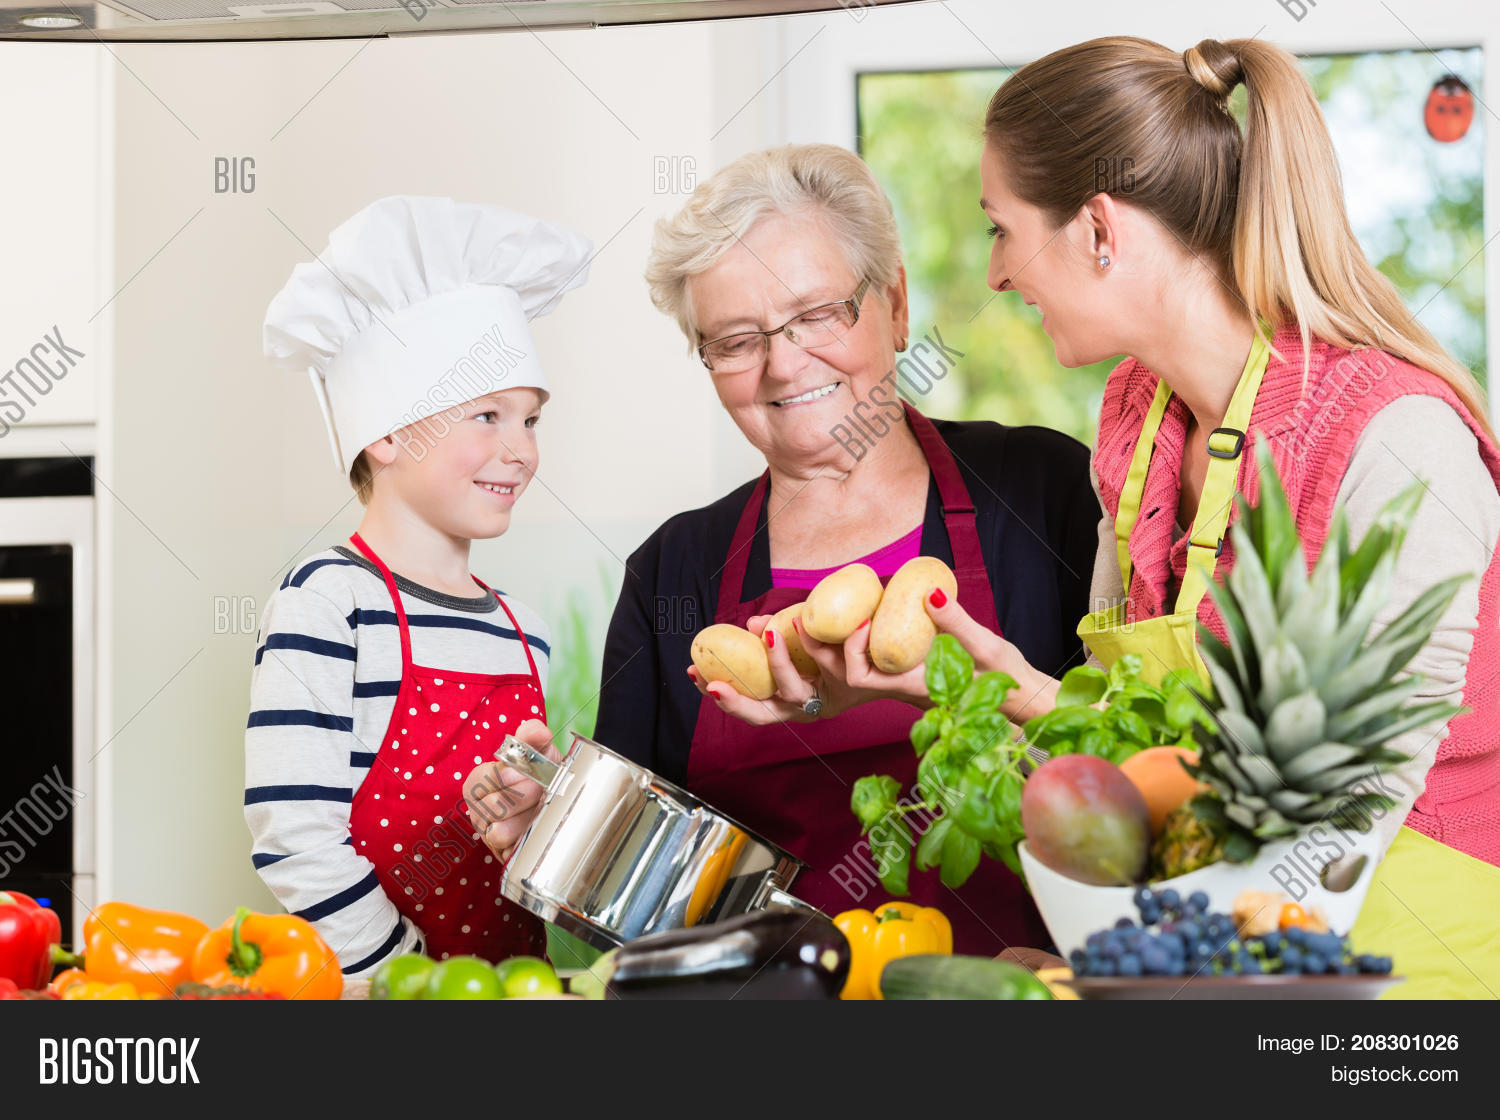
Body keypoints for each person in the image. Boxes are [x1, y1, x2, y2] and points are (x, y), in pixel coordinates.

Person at [824, 37, 1500, 996]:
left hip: (1418, 978)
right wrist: (1006, 685)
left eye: (1002, 229)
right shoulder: (1138, 420)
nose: (997, 273)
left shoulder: (1395, 439)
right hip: (1231, 964)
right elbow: (1153, 758)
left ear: (1099, 228)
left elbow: (1357, 800)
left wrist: (1148, 982)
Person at [592, 144, 1101, 954]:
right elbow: (639, 907)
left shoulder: (1043, 490)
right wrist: (557, 832)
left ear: (895, 304)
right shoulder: (671, 575)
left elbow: (1137, 773)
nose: (783, 365)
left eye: (816, 314)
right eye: (736, 340)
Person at [248, 195, 590, 976]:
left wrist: (531, 817)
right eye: (488, 415)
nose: (522, 451)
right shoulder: (329, 603)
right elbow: (293, 833)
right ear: (386, 433)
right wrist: (406, 978)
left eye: (531, 420)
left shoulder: (524, 630)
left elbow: (525, 858)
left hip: (511, 992)